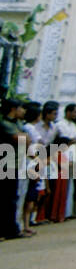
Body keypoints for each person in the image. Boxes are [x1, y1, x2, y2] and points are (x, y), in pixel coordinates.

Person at [1, 97, 27, 239]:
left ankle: (11, 229)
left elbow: (27, 139)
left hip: (15, 164)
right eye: (21, 108)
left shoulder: (18, 123)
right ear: (13, 109)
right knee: (5, 198)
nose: (23, 111)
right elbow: (22, 139)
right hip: (6, 164)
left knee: (12, 198)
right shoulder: (5, 123)